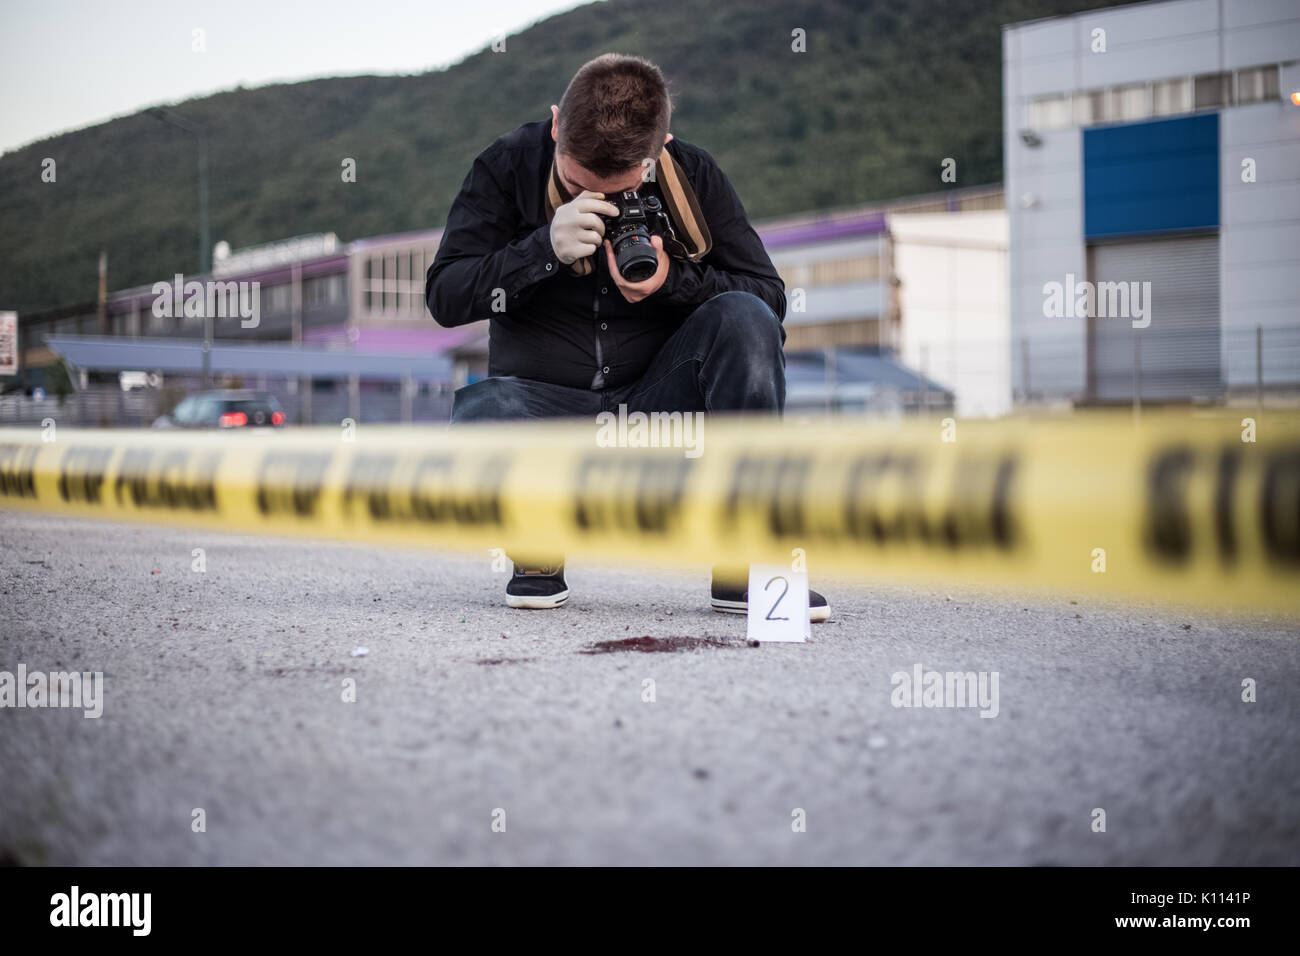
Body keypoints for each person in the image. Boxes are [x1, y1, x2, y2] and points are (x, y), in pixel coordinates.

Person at [426, 53, 828, 621]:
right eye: (576, 186)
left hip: (658, 410)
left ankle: (747, 561)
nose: (604, 204)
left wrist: (673, 282)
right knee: (481, 413)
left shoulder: (692, 173)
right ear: (557, 124)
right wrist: (542, 250)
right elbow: (445, 296)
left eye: (620, 190)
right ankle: (537, 548)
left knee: (744, 317)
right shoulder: (506, 166)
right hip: (548, 411)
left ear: (658, 148)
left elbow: (769, 299)